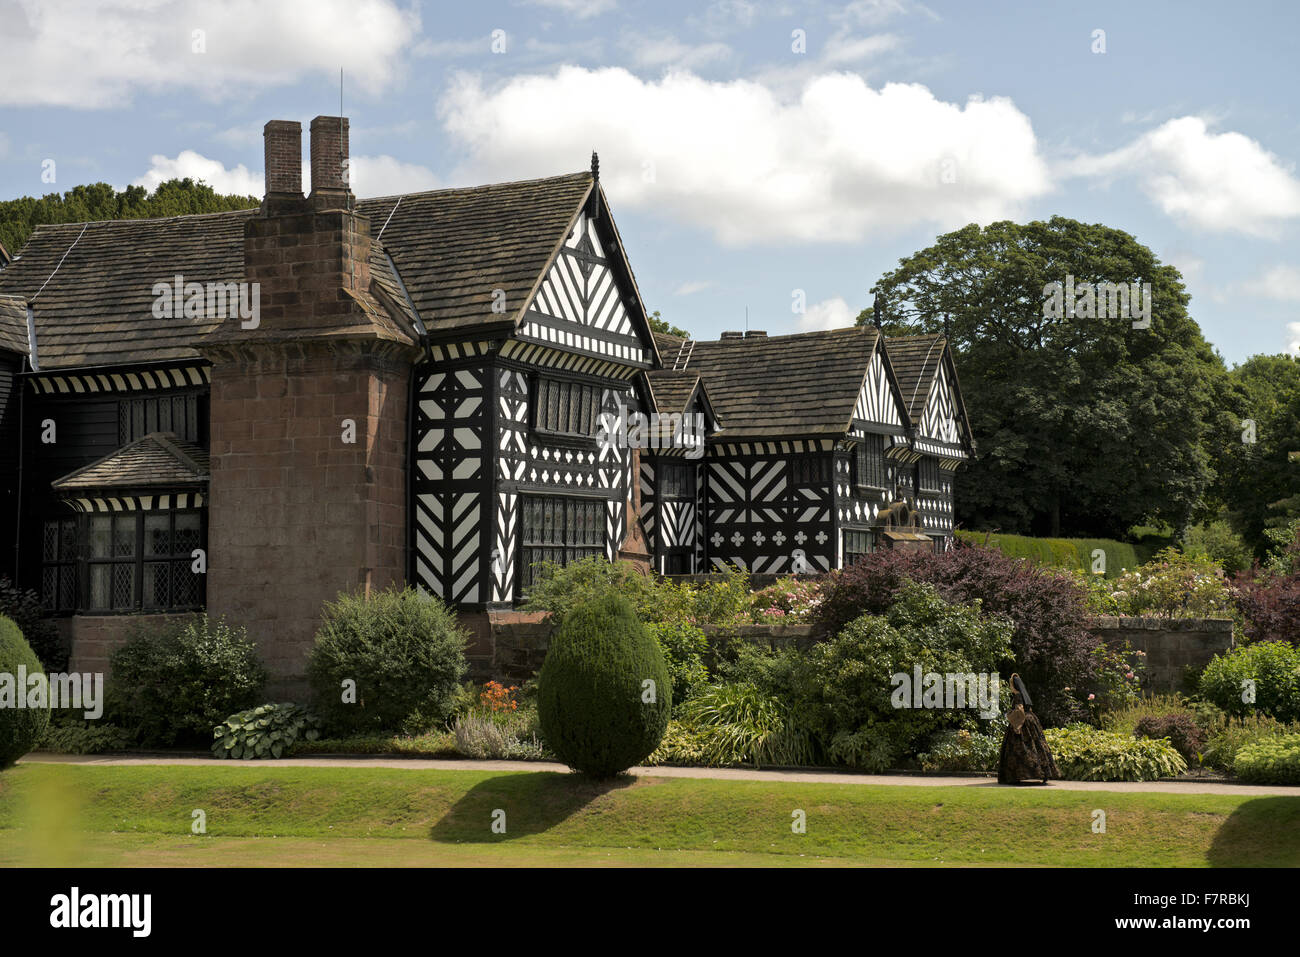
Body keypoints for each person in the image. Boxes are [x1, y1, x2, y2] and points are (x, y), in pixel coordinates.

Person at [997, 673, 1060, 785]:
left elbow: (1019, 711)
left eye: (1011, 684)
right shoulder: (1024, 694)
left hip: (1022, 722)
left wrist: (1016, 726)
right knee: (1037, 746)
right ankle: (1044, 773)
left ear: (1014, 686)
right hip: (1031, 720)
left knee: (1018, 749)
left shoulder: (1017, 695)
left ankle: (1016, 775)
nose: (1010, 687)